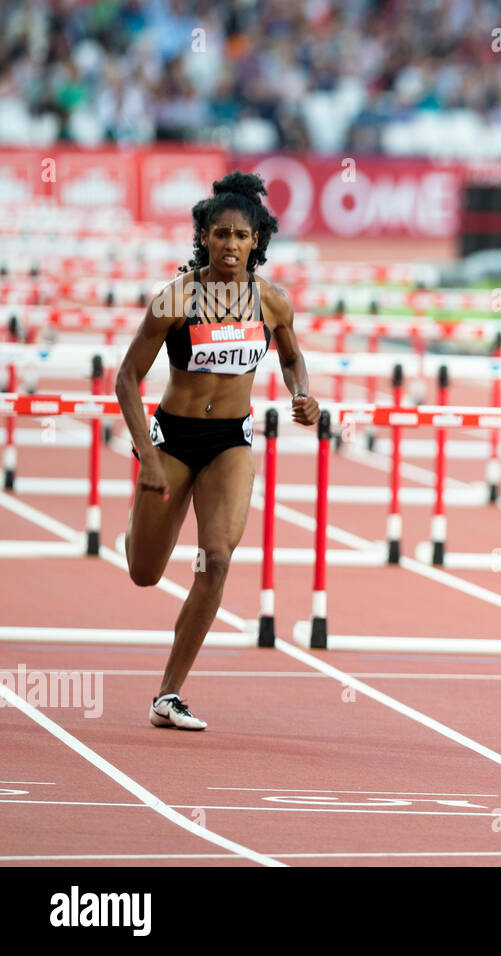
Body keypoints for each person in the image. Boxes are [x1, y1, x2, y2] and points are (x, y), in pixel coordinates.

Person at [114, 171, 320, 730]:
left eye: (241, 236)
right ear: (203, 237)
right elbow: (127, 378)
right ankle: (137, 525)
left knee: (219, 559)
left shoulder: (272, 303)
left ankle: (168, 695)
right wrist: (147, 454)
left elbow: (293, 359)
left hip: (229, 441)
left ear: (258, 242)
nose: (231, 245)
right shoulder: (176, 299)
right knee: (143, 573)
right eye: (221, 234)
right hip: (173, 442)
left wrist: (303, 395)